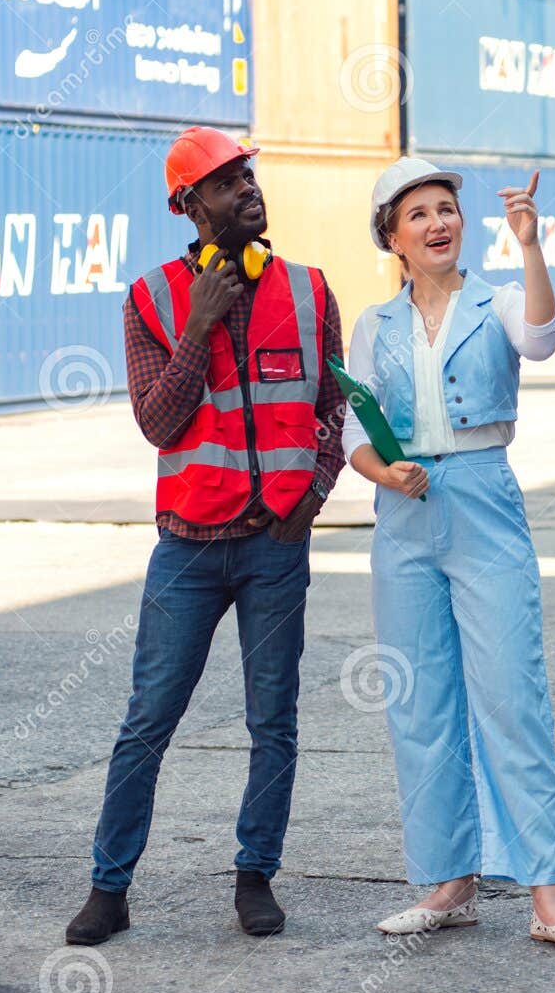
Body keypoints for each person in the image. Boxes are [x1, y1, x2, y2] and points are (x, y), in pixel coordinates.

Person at [64, 127, 347, 945]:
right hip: (187, 549)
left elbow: (333, 405)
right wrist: (200, 326)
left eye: (248, 175)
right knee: (148, 720)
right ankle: (109, 890)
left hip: (275, 548)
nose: (247, 190)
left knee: (274, 720)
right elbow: (158, 421)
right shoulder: (151, 298)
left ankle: (255, 876)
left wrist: (315, 494)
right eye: (226, 183)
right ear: (190, 206)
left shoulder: (309, 289)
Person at [342, 157, 555, 953]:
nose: (437, 223)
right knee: (419, 704)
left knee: (510, 695)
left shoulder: (498, 302)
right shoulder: (373, 325)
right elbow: (353, 426)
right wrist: (384, 470)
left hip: (483, 498)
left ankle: (547, 899)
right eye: (417, 214)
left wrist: (530, 245)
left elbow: (545, 340)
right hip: (403, 511)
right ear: (393, 236)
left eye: (446, 208)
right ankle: (449, 884)